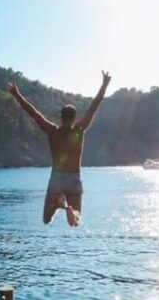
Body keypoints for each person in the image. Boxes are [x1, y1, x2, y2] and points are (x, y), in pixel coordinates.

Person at [6, 71, 111, 226]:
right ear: (75, 118)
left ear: (60, 117)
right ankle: (70, 210)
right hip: (74, 177)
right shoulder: (79, 130)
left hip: (56, 178)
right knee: (75, 221)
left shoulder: (52, 131)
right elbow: (94, 106)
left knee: (46, 219)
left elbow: (33, 112)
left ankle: (58, 204)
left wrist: (16, 94)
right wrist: (104, 85)